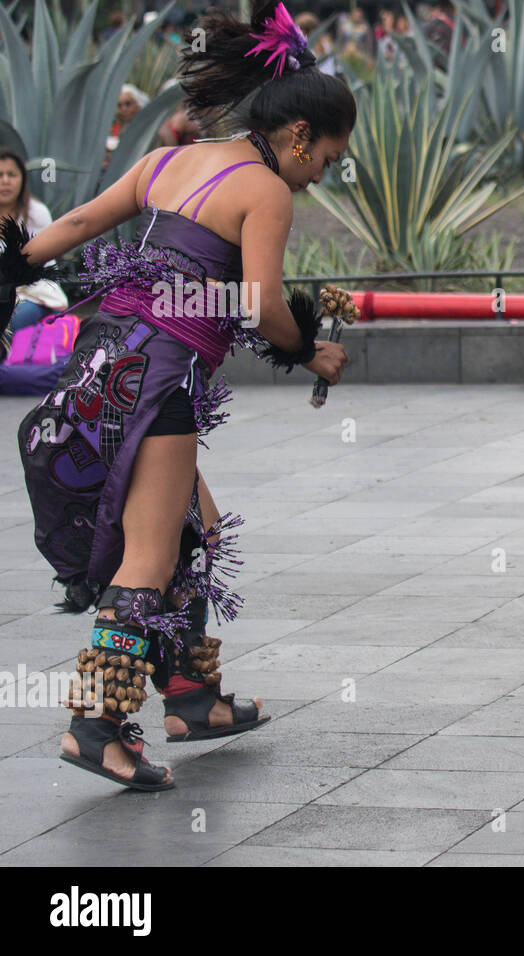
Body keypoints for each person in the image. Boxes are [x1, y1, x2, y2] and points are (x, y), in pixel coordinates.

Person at [1, 1, 353, 791]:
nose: (321, 173)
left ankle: (193, 697)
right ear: (300, 136)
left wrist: (12, 265)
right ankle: (95, 725)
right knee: (151, 555)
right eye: (327, 158)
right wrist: (306, 351)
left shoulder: (173, 161)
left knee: (199, 525)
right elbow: (261, 304)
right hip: (161, 380)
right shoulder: (267, 191)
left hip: (103, 362)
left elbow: (82, 220)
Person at [0, 148, 65, 334]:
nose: (5, 180)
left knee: (7, 325)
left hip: (33, 293)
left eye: (11, 174)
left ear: (22, 179)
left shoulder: (36, 213)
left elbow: (31, 266)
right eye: (0, 174)